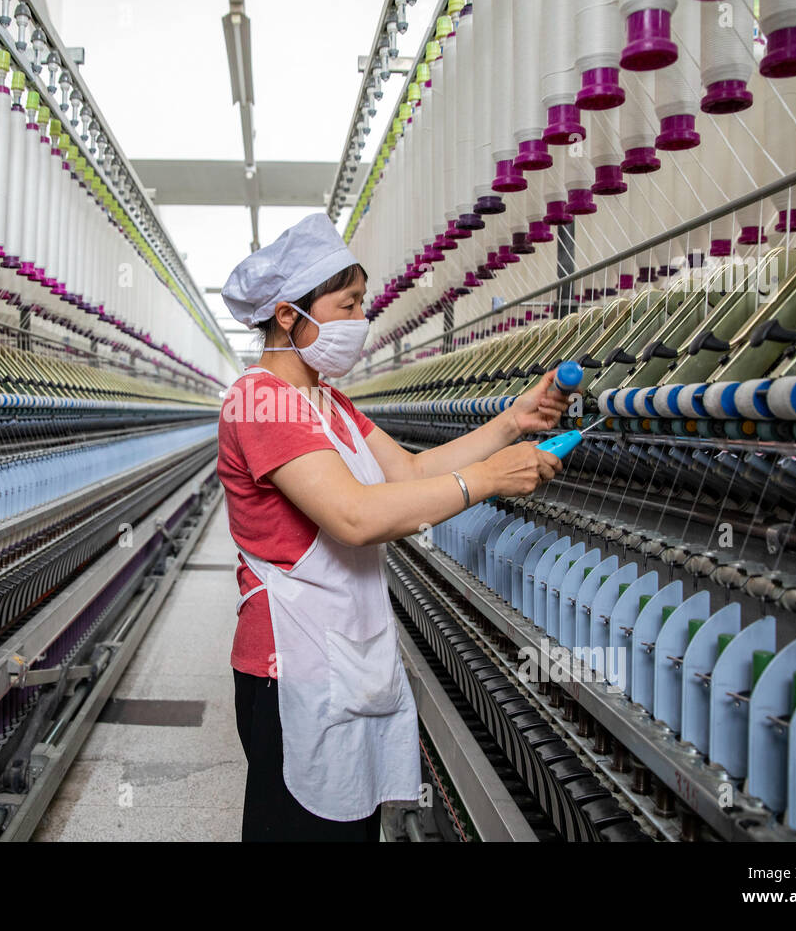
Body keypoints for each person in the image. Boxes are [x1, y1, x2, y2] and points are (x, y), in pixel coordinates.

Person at [217, 213, 567, 841]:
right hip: (288, 664)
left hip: (340, 648)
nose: (359, 321)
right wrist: (488, 479)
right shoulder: (262, 399)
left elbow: (409, 472)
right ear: (291, 315)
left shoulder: (328, 400)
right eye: (347, 305)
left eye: (361, 305)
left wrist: (513, 423)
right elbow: (354, 516)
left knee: (345, 826)